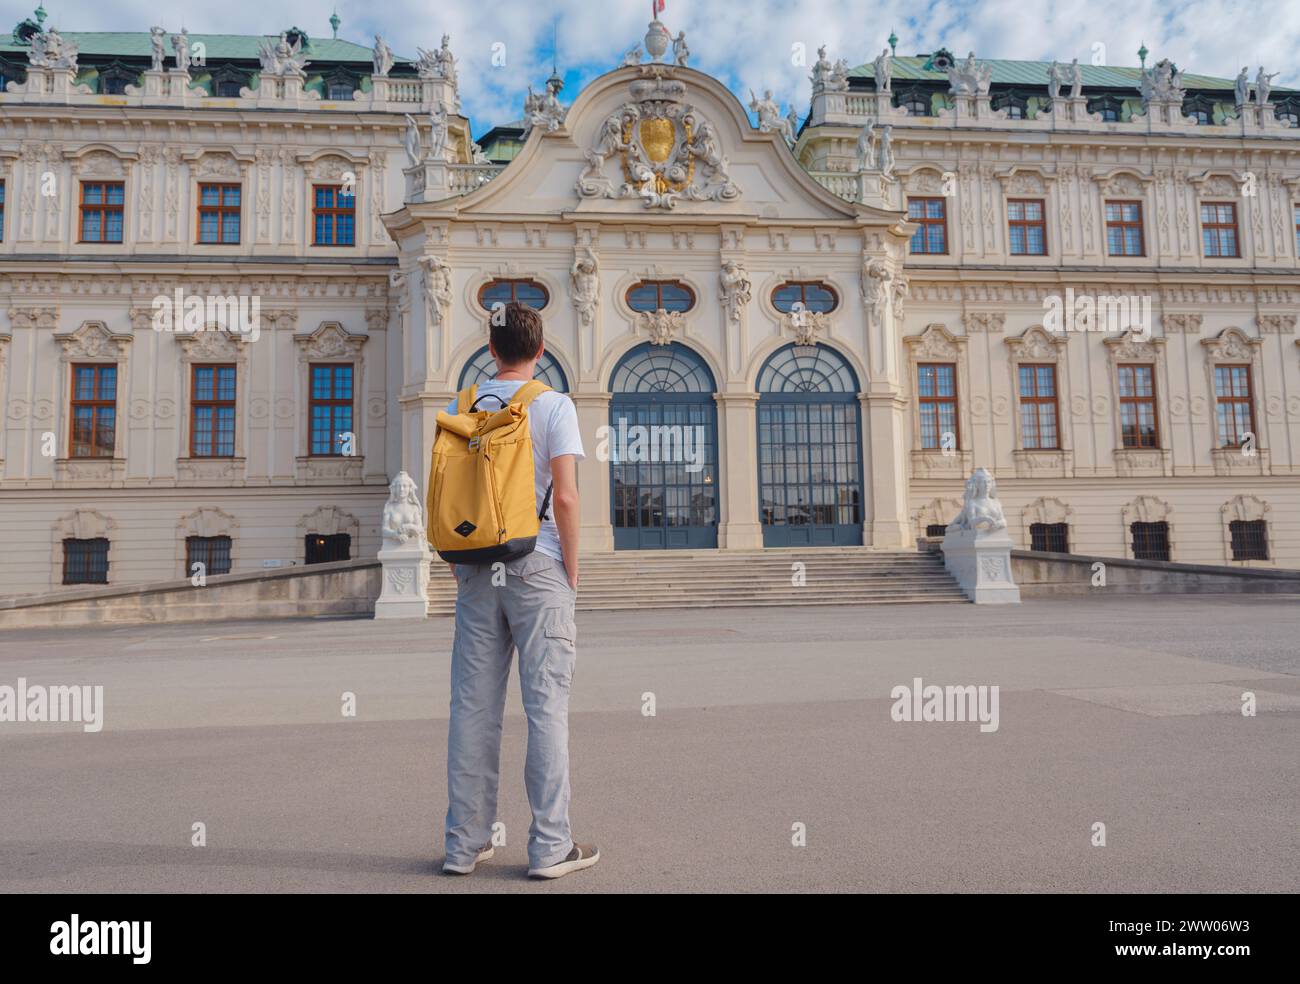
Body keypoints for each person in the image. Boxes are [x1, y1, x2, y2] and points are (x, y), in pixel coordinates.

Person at [440, 301, 598, 880]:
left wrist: (459, 561)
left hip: (479, 569)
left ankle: (463, 846)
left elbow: (451, 492)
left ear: (490, 349)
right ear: (539, 350)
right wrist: (572, 572)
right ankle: (550, 848)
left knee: (473, 709)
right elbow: (566, 498)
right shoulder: (553, 404)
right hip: (539, 565)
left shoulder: (462, 406)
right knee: (546, 708)